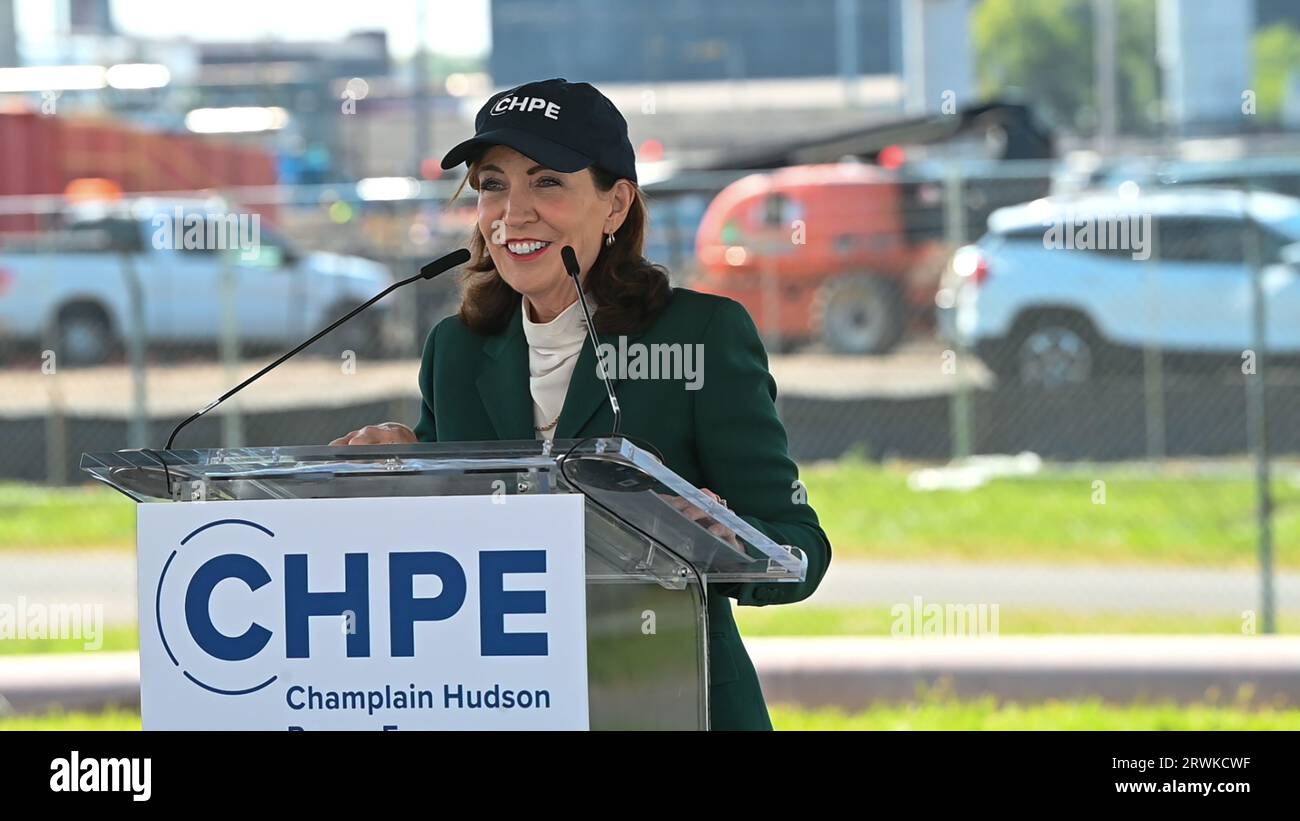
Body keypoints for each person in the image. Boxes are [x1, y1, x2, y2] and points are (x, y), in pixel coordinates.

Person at [331, 77, 831, 730]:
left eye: (547, 182)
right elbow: (455, 536)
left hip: (677, 702)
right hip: (505, 704)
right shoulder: (455, 350)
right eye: (492, 184)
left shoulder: (703, 336)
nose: (513, 213)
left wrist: (721, 540)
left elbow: (799, 549)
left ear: (616, 204)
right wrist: (405, 471)